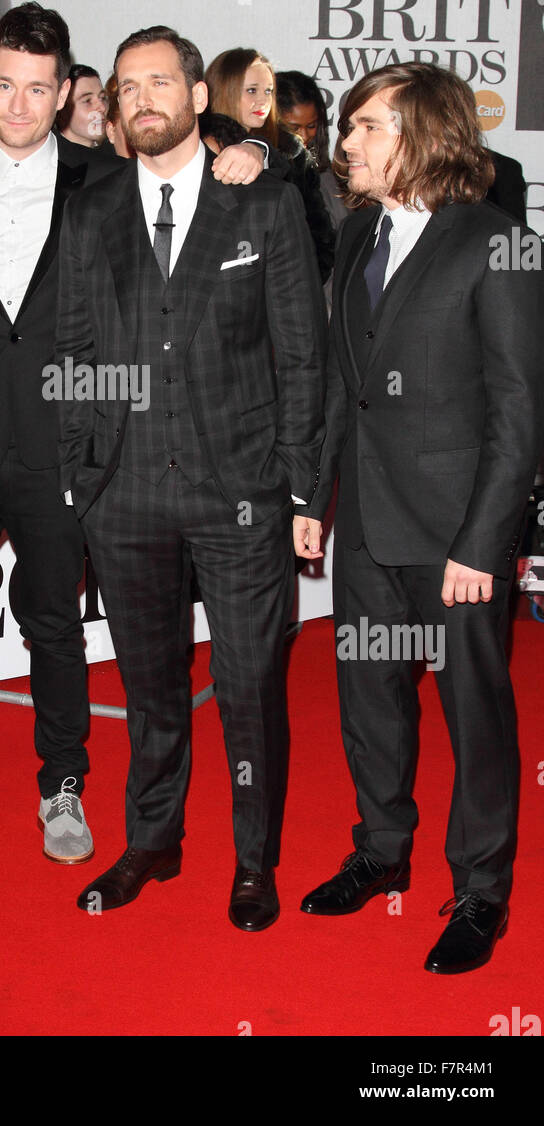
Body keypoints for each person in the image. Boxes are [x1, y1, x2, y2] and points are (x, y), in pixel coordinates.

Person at [0, 4, 268, 861]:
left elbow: (192, 173)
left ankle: (62, 785)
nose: (17, 105)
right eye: (3, 87)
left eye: (37, 90)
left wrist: (257, 148)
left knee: (53, 619)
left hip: (65, 436)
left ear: (64, 97)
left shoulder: (103, 179)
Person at [57, 26, 327, 928]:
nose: (140, 99)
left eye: (159, 82)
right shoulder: (90, 210)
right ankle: (153, 841)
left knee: (249, 690)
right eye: (125, 86)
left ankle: (255, 862)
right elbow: (75, 349)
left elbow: (301, 355)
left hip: (241, 494)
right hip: (124, 497)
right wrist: (79, 477)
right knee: (150, 687)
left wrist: (300, 492)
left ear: (197, 97)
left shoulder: (262, 207)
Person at [294, 62, 544, 974]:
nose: (345, 143)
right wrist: (310, 498)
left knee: (475, 710)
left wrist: (485, 543)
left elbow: (520, 411)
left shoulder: (496, 241)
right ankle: (381, 849)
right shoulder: (358, 235)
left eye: (365, 128)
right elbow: (337, 387)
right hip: (363, 520)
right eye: (348, 128)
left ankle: (482, 891)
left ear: (421, 136)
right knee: (370, 697)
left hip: (456, 538)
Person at [206, 47, 336, 283]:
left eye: (268, 91)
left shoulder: (289, 150)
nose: (262, 100)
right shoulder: (200, 146)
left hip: (284, 287)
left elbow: (318, 232)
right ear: (225, 89)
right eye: (252, 90)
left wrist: (301, 282)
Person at [275, 70, 348, 231]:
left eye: (311, 126)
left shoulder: (327, 179)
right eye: (293, 128)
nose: (303, 136)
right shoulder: (266, 174)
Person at [56, 65, 108, 150]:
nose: (102, 108)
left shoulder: (112, 156)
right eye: (87, 101)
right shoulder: (49, 159)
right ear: (63, 108)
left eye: (102, 98)